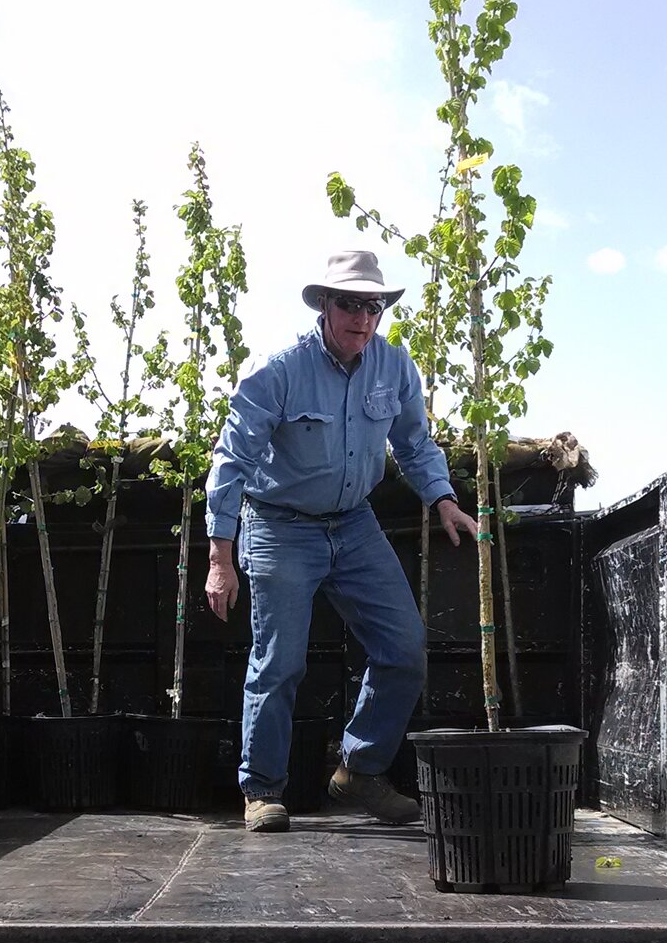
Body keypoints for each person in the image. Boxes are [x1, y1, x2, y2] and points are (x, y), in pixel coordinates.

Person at [204, 250, 481, 833]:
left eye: (373, 306)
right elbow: (232, 460)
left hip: (355, 524)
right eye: (350, 304)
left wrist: (443, 499)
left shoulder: (395, 367)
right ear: (325, 305)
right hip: (279, 524)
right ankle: (262, 789)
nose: (363, 317)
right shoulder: (278, 370)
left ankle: (360, 769)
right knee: (280, 662)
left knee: (404, 647)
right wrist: (220, 558)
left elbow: (415, 443)